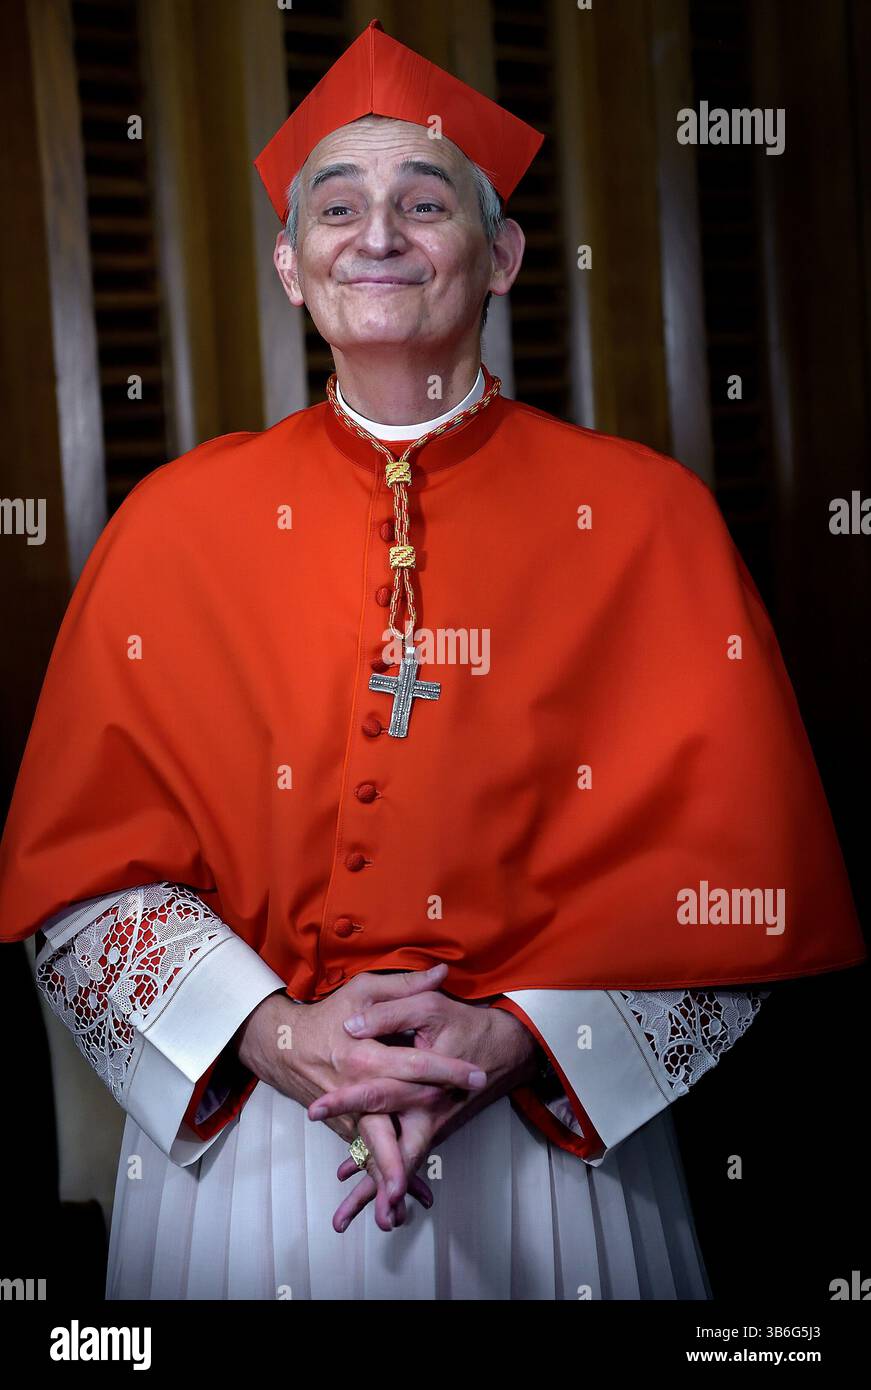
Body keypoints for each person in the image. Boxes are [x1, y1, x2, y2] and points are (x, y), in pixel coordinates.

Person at [0, 19, 864, 1301]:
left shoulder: (644, 516)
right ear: (293, 267)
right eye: (337, 207)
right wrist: (277, 1033)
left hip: (553, 1148)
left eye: (425, 200)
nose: (381, 233)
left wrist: (513, 1041)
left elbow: (728, 888)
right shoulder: (170, 525)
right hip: (257, 1147)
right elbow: (80, 881)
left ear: (503, 254)